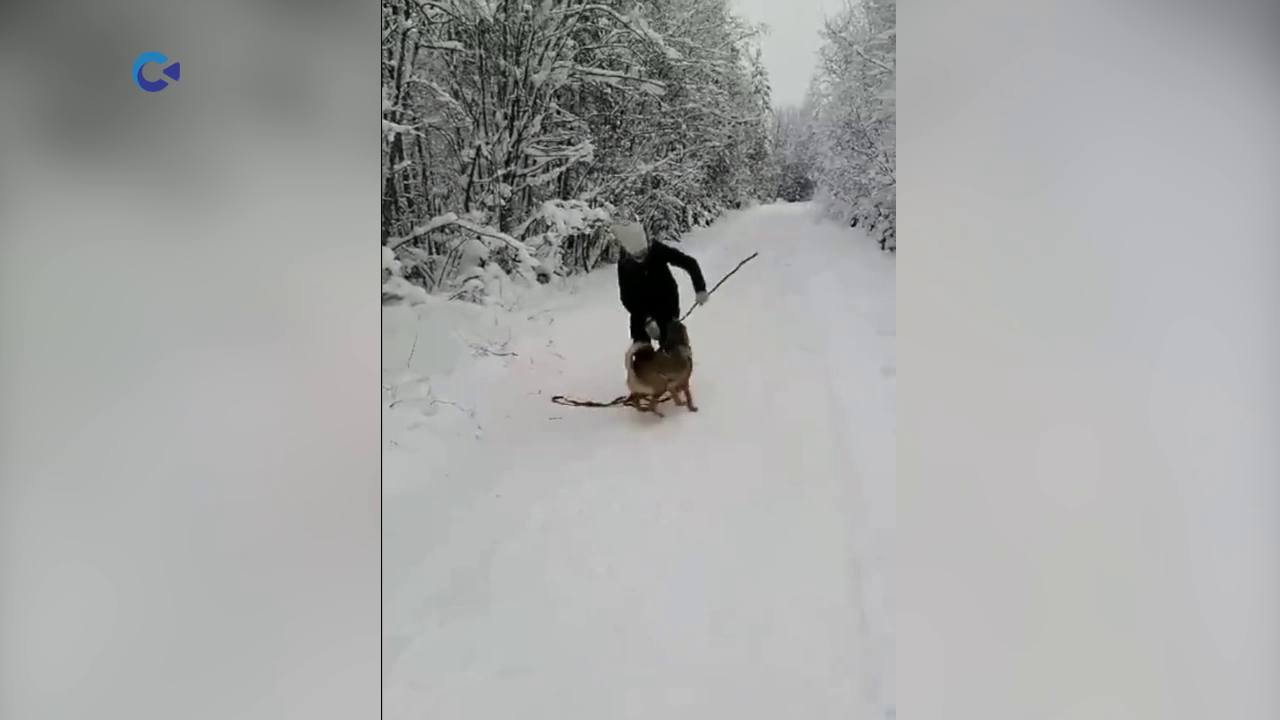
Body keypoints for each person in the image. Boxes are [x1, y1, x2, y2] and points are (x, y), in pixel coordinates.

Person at [610, 219, 709, 348]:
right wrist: (647, 321)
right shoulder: (624, 265)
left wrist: (700, 288)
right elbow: (627, 297)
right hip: (641, 309)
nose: (642, 258)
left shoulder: (657, 250)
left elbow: (689, 262)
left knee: (672, 341)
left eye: (644, 253)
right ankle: (642, 360)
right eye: (637, 256)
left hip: (667, 302)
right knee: (641, 345)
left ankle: (674, 360)